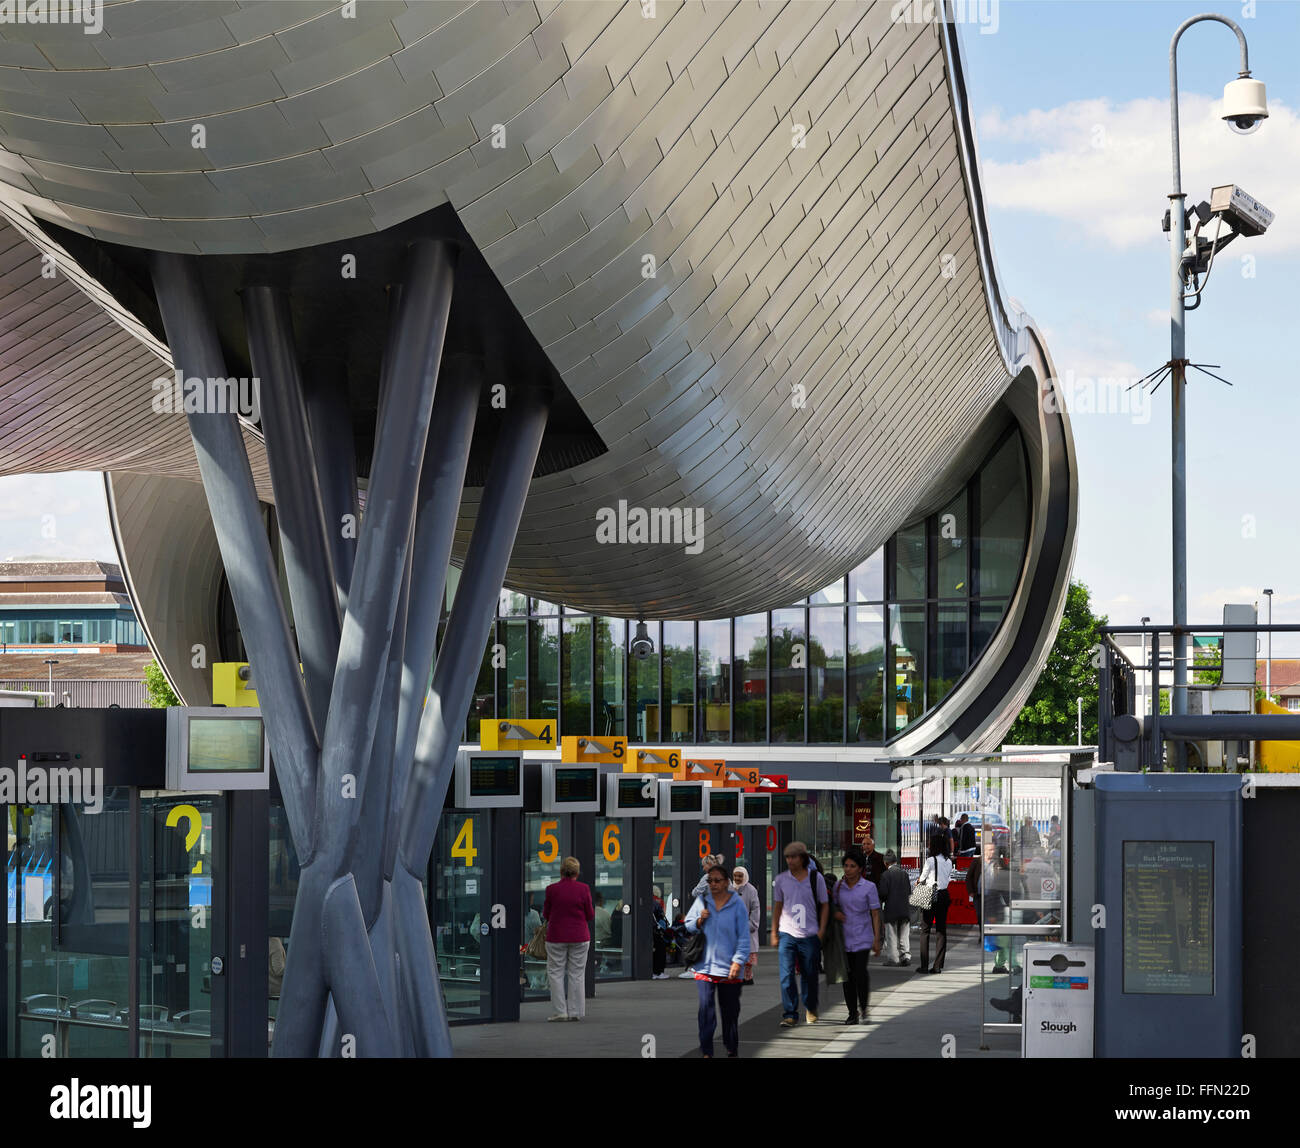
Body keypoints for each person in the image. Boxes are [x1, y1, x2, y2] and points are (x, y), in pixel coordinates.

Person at [684, 863, 751, 1057]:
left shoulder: (737, 903)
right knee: (706, 1011)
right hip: (705, 967)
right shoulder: (702, 901)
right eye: (709, 880)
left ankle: (731, 1047)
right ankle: (706, 1051)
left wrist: (738, 961)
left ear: (726, 882)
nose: (712, 884)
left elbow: (744, 937)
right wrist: (698, 921)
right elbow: (688, 925)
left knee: (729, 1012)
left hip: (730, 968)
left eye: (717, 880)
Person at [771, 841, 828, 1026]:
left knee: (809, 974)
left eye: (793, 856)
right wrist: (774, 932)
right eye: (787, 857)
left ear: (802, 858)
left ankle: (811, 1007)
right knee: (786, 975)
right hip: (787, 933)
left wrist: (821, 930)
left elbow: (825, 904)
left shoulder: (815, 878)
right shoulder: (781, 879)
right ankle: (790, 1013)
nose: (790, 860)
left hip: (810, 934)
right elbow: (778, 906)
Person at [542, 856, 595, 1021]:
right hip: (580, 936)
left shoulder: (551, 889)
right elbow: (590, 915)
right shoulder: (584, 889)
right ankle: (575, 1012)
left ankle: (560, 1011)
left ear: (561, 871)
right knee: (577, 974)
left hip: (556, 936)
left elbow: (546, 914)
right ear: (577, 873)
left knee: (555, 972)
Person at [834, 850, 882, 1023]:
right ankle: (852, 1013)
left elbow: (875, 914)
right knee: (847, 977)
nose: (848, 869)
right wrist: (836, 914)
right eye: (846, 866)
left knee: (860, 974)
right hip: (844, 939)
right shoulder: (838, 887)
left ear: (860, 868)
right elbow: (833, 908)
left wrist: (877, 939)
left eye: (852, 866)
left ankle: (864, 1008)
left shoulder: (869, 887)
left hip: (863, 937)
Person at [681, 854, 725, 978]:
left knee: (700, 940)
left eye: (704, 865)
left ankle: (696, 968)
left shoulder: (707, 877)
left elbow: (695, 892)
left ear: (709, 865)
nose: (703, 868)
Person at [915, 833, 953, 975]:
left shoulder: (930, 860)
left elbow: (923, 878)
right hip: (944, 895)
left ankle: (924, 965)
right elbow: (947, 878)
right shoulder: (949, 861)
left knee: (925, 929)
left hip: (931, 894)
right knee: (941, 930)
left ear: (934, 845)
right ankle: (937, 965)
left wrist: (918, 882)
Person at [876, 849, 912, 966]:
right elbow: (908, 891)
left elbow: (883, 893)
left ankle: (893, 958)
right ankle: (905, 955)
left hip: (891, 909)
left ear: (886, 863)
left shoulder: (885, 875)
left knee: (891, 935)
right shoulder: (904, 874)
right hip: (904, 909)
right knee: (904, 934)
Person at [732, 865, 761, 985]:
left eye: (740, 876)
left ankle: (747, 978)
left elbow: (755, 909)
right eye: (735, 876)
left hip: (746, 928)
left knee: (747, 957)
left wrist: (751, 924)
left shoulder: (751, 890)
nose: (737, 878)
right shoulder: (729, 888)